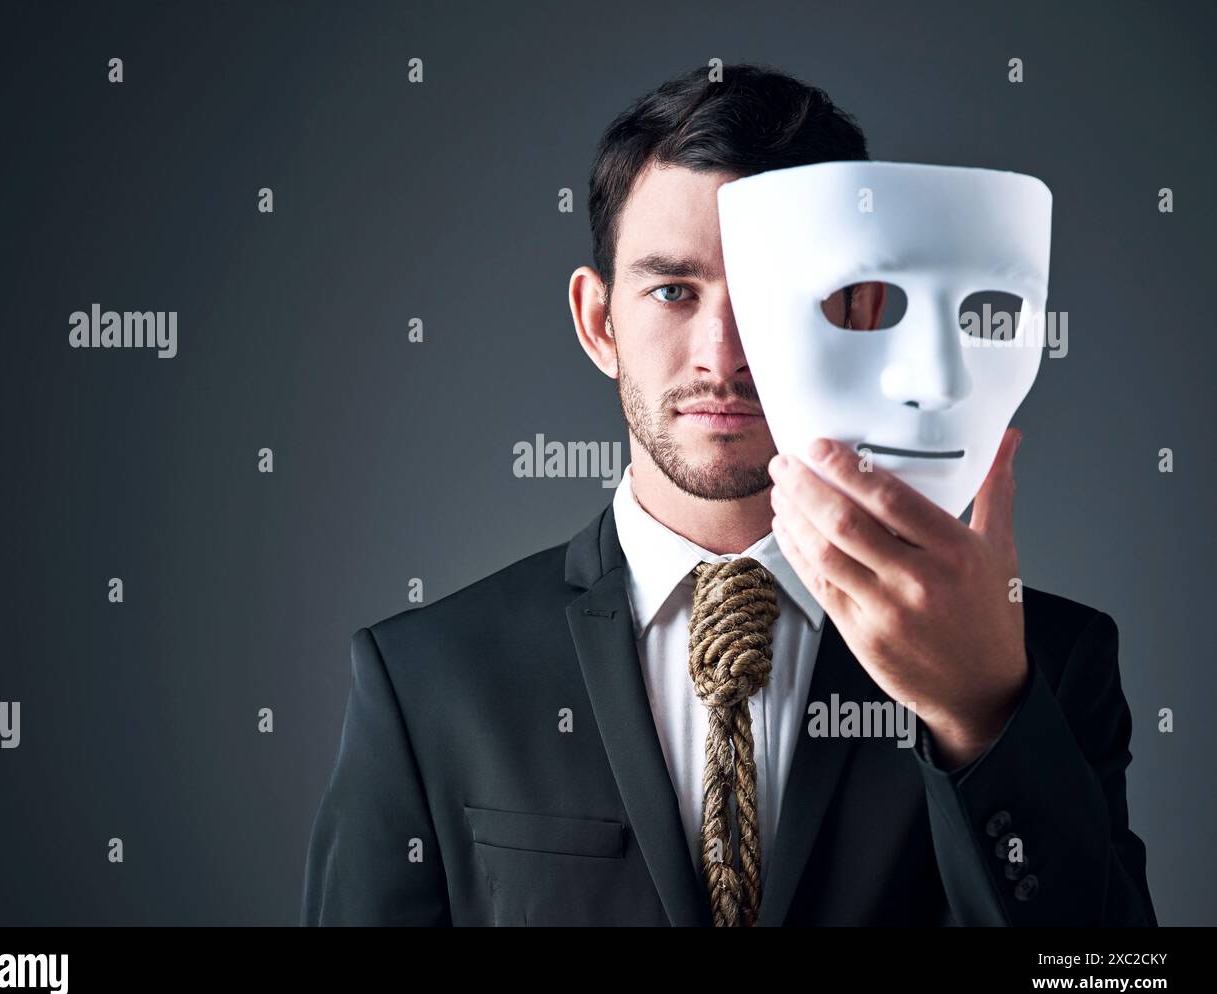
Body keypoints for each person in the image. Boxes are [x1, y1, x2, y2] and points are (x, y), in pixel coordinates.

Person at [301, 63, 1157, 927]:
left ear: (862, 311)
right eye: (673, 291)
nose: (723, 352)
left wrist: (982, 720)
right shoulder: (428, 680)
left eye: (776, 294)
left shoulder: (1037, 665)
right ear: (599, 322)